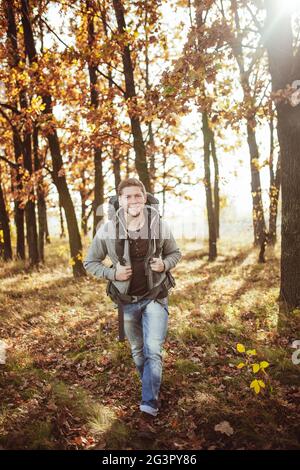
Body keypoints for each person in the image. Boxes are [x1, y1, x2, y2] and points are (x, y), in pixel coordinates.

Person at [83, 177, 182, 417]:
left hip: (155, 296)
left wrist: (164, 264)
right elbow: (90, 262)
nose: (134, 200)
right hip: (126, 302)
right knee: (138, 350)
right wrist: (112, 272)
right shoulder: (107, 230)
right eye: (128, 196)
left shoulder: (159, 224)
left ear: (145, 197)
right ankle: (152, 385)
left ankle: (149, 405)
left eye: (138, 195)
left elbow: (175, 253)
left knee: (153, 348)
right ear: (120, 200)